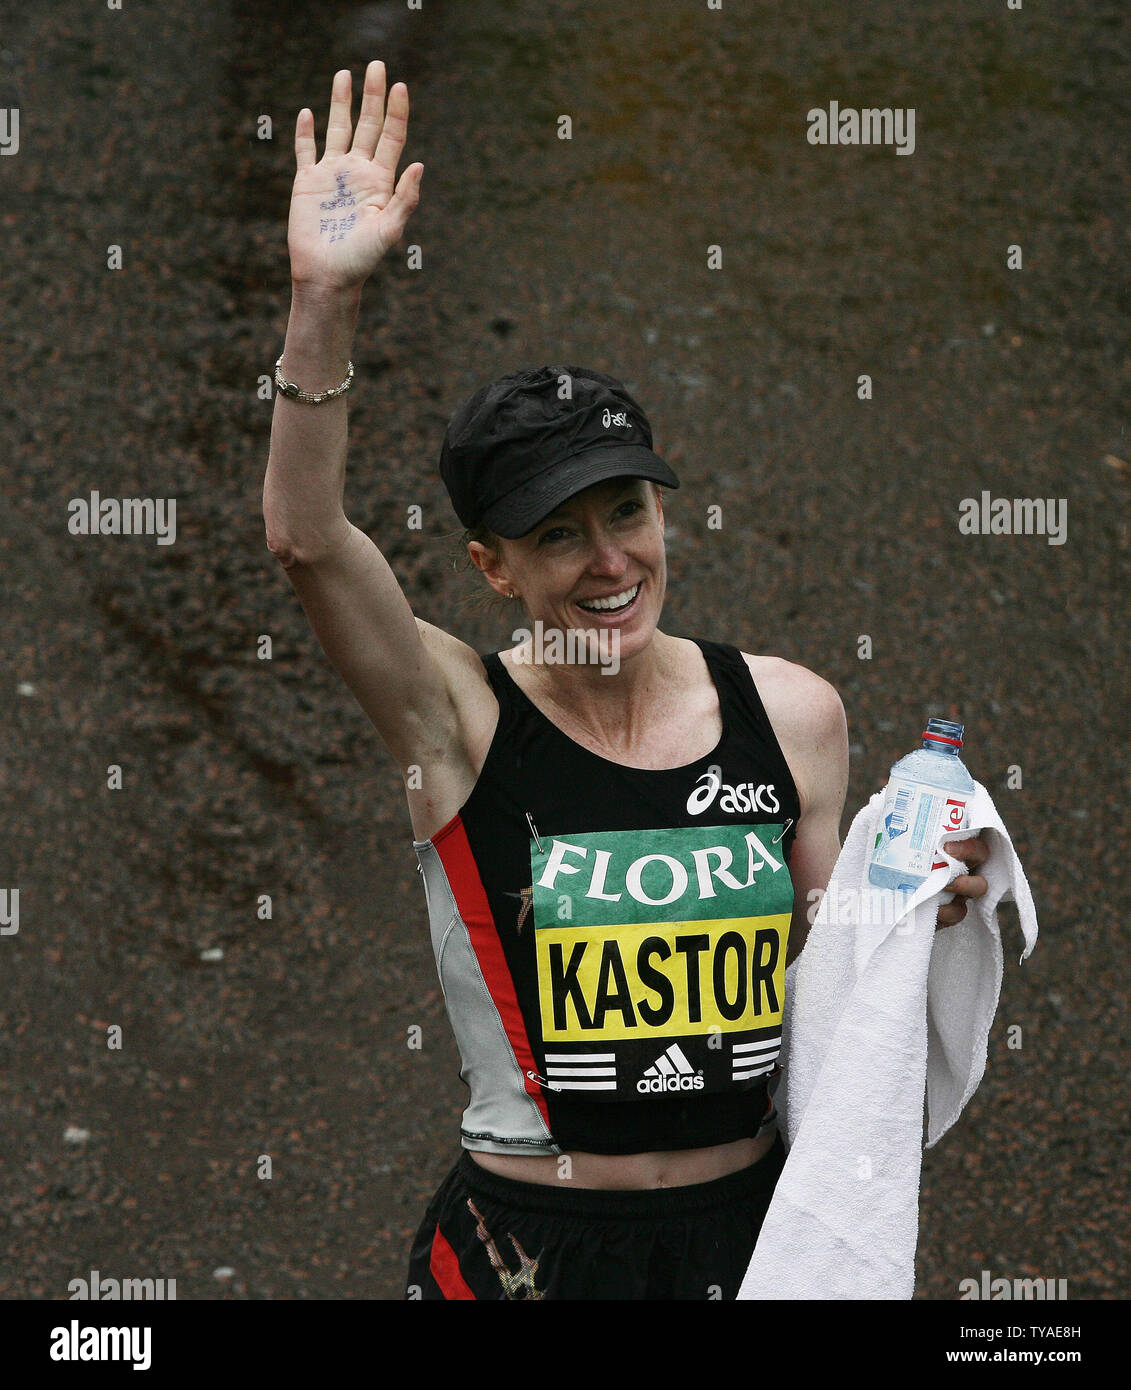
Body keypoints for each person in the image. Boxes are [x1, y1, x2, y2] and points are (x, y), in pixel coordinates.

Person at [262, 62, 990, 1301]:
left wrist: (920, 910)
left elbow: (827, 997)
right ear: (490, 565)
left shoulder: (795, 716)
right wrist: (322, 298)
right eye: (558, 535)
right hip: (527, 1251)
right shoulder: (456, 720)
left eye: (629, 512)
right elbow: (308, 538)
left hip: (749, 1239)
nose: (611, 563)